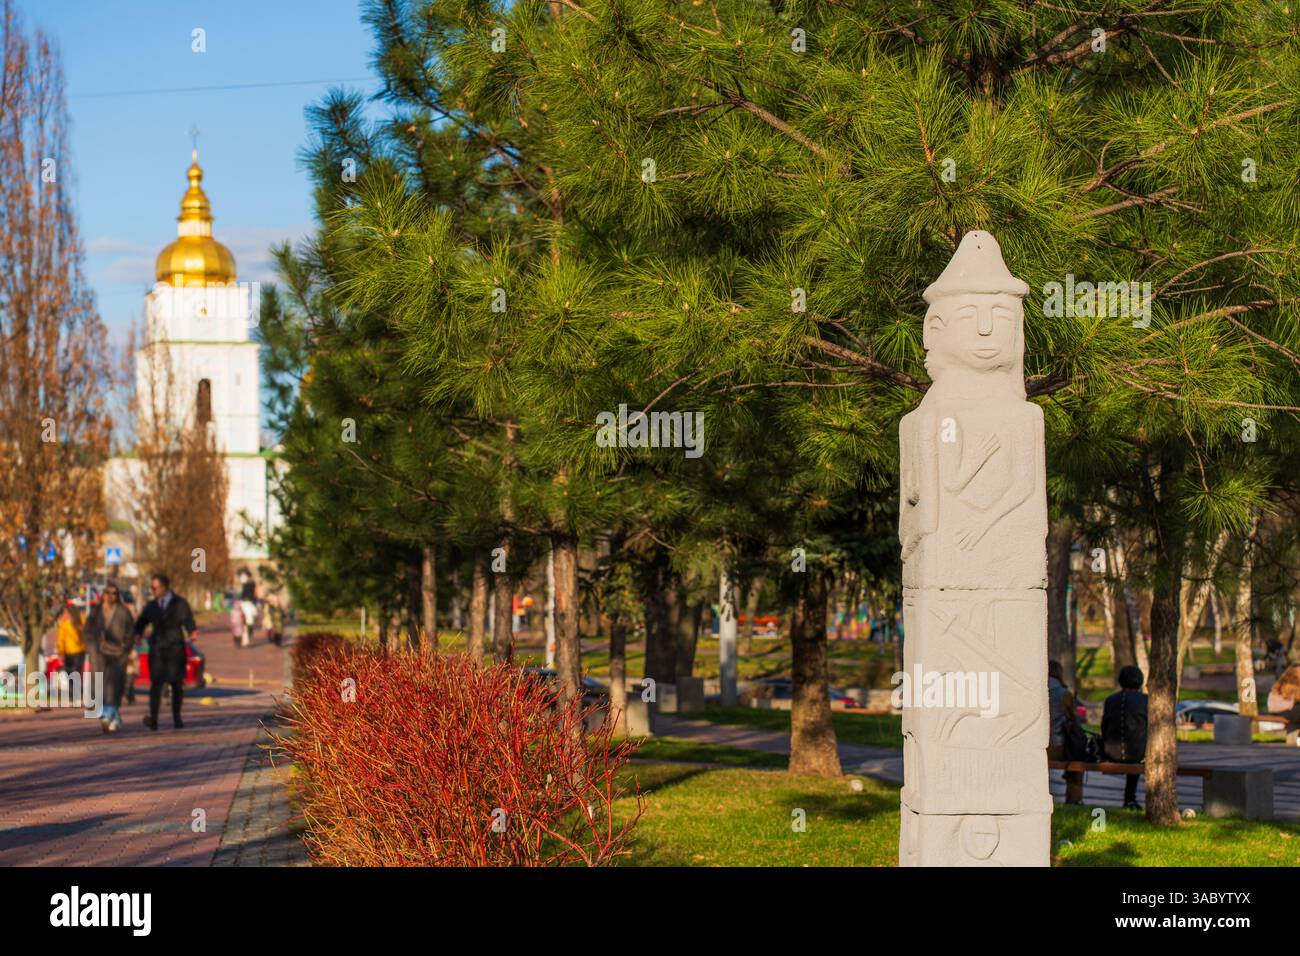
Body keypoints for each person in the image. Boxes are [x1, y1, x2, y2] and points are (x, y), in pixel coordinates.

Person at [133, 573, 196, 731]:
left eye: (155, 588)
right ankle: (153, 718)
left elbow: (188, 619)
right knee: (156, 684)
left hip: (175, 648)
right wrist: (137, 633)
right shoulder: (152, 605)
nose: (153, 591)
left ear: (164, 587)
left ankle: (177, 718)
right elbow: (142, 621)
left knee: (176, 684)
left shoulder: (179, 603)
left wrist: (192, 630)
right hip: (157, 649)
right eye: (151, 588)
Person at [84, 585, 135, 732]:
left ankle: (108, 715)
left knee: (113, 686)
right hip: (99, 653)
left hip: (118, 654)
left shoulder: (124, 612)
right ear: (103, 594)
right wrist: (90, 648)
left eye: (114, 593)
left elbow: (131, 632)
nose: (111, 595)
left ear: (117, 596)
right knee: (99, 685)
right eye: (108, 592)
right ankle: (112, 716)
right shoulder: (96, 612)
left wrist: (125, 649)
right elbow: (87, 631)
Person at [1102, 665, 1149, 810]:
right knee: (1138, 749)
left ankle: (1130, 799)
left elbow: (1104, 726)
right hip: (1137, 754)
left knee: (1134, 748)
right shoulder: (1146, 700)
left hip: (1111, 752)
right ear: (1139, 681)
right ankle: (1130, 799)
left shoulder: (1110, 700)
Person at [1046, 659, 1084, 804]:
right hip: (1057, 746)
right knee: (1077, 758)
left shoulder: (1034, 690)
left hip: (1036, 746)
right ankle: (1074, 799)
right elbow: (1074, 717)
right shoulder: (1063, 694)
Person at [56, 604, 86, 704]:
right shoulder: (63, 624)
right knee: (69, 675)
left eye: (66, 612)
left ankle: (76, 696)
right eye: (64, 613)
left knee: (76, 673)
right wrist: (61, 652)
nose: (65, 614)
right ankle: (73, 696)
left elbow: (85, 632)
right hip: (67, 653)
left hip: (79, 651)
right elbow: (61, 639)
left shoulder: (80, 620)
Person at [237, 568, 258, 648]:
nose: (241, 578)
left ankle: (246, 638)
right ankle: (245, 639)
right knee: (247, 622)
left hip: (248, 604)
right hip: (245, 603)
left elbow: (252, 594)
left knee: (250, 621)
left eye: (243, 576)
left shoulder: (250, 584)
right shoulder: (246, 584)